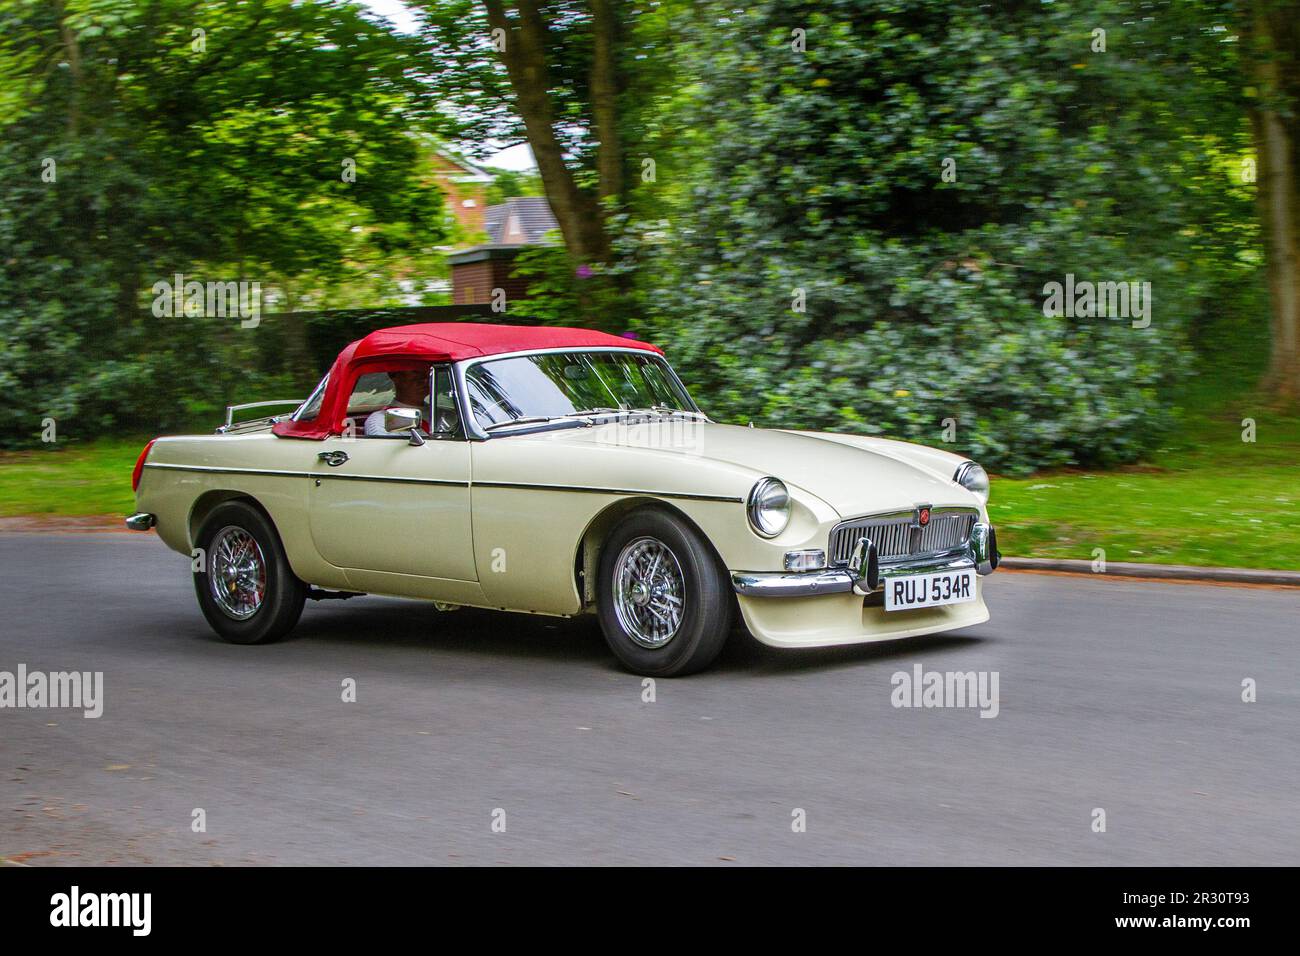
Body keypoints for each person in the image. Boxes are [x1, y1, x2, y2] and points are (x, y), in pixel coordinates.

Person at [364, 368, 431, 436]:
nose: (425, 379)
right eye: (416, 372)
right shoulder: (381, 421)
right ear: (394, 376)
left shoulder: (439, 414)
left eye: (428, 373)